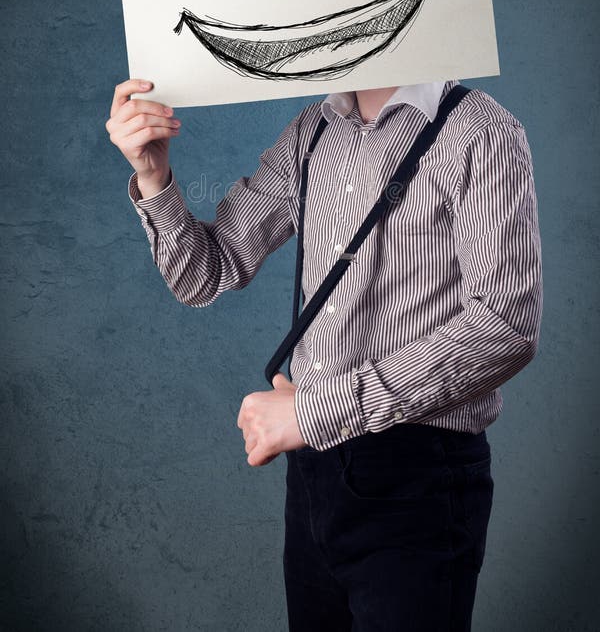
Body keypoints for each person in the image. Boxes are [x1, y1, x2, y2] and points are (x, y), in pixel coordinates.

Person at [106, 76, 543, 631]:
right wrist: (153, 175)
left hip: (420, 479)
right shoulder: (311, 133)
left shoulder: (482, 131)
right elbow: (206, 272)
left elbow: (504, 326)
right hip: (313, 478)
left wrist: (311, 412)